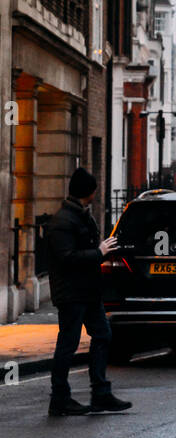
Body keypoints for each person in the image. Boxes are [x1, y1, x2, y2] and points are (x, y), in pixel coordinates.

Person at [45, 168, 132, 417]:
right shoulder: (63, 222)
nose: (95, 194)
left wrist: (104, 250)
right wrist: (100, 252)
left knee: (103, 335)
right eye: (93, 190)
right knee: (68, 345)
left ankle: (101, 393)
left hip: (89, 292)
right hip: (71, 294)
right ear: (89, 192)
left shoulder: (82, 216)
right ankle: (59, 398)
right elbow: (66, 259)